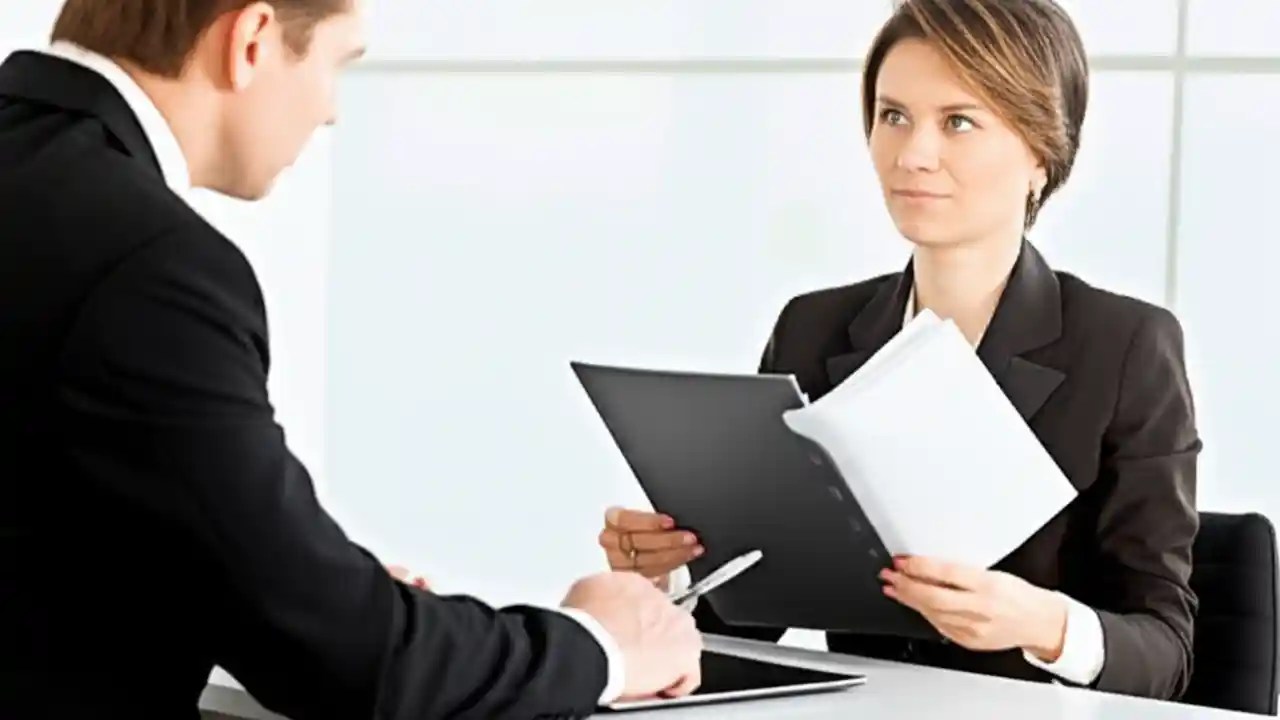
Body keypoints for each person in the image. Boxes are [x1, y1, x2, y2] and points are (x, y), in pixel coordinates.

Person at [0, 1, 702, 718]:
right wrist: (600, 646)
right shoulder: (152, 264)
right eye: (337, 64)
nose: (331, 112)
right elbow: (347, 661)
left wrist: (304, 583)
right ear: (252, 40)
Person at [598, 0, 1199, 702]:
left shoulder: (1124, 346)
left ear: (1040, 152)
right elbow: (748, 615)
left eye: (958, 122)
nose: (912, 154)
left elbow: (1167, 651)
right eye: (893, 116)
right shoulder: (813, 329)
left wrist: (1044, 624)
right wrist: (666, 577)